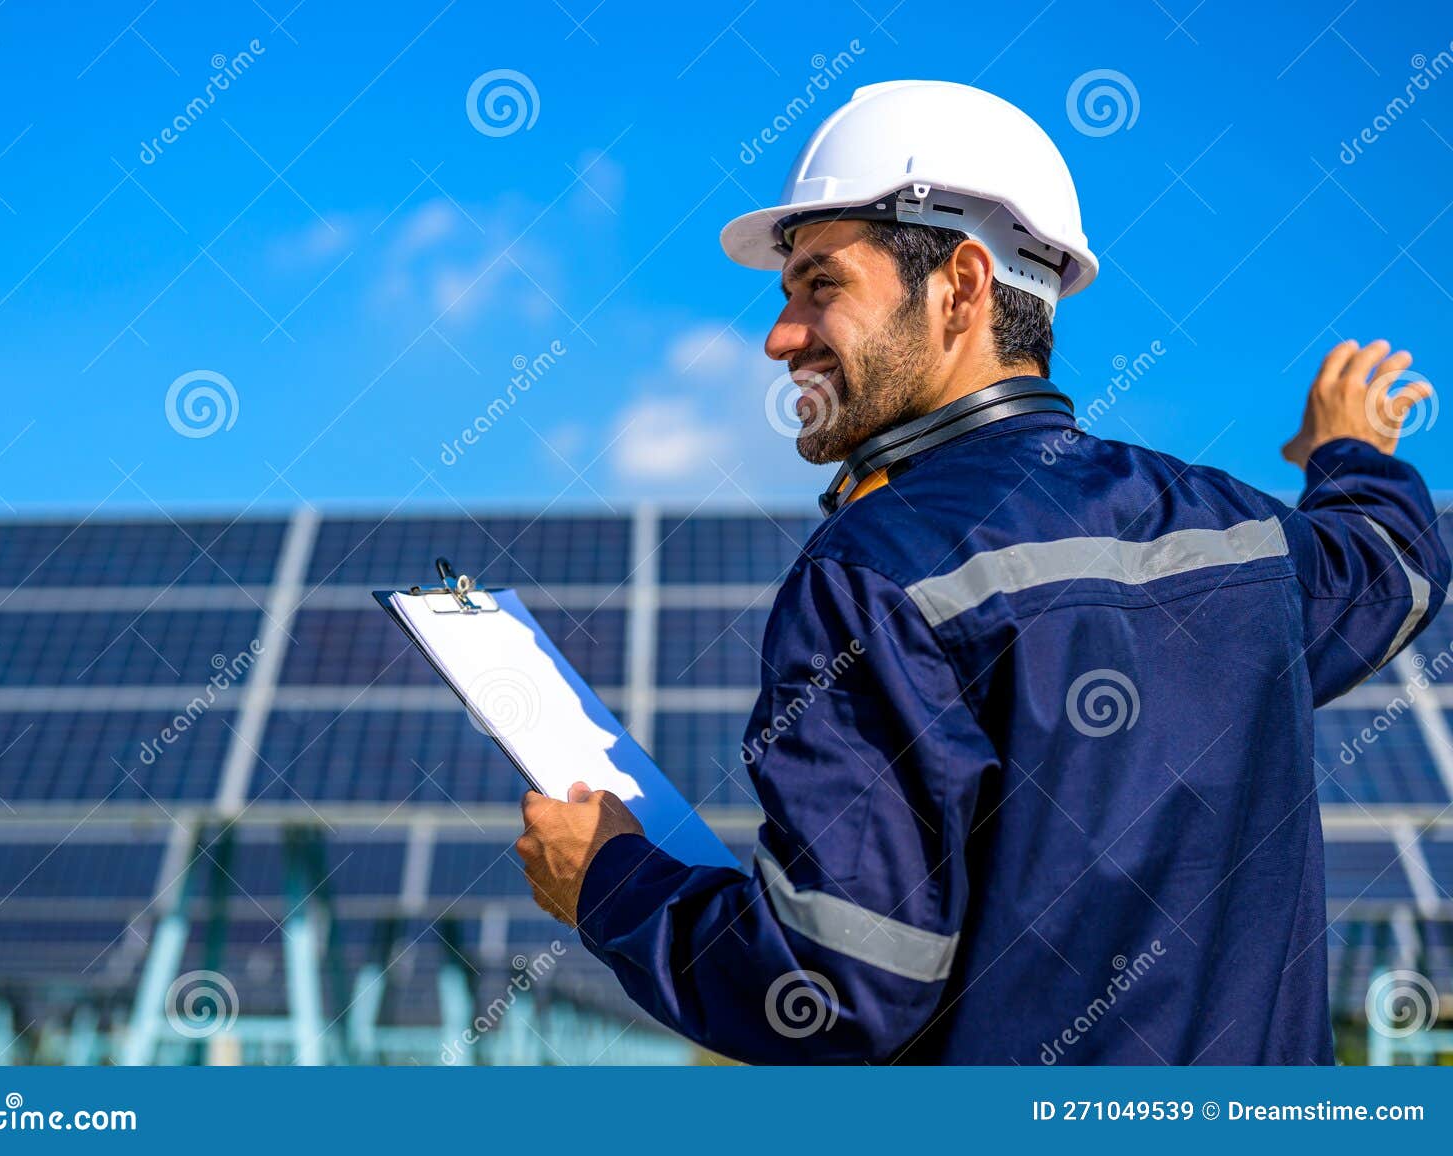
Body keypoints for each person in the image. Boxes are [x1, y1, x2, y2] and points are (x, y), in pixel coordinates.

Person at [515, 80, 1449, 1063]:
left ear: (959, 286)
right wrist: (1351, 451)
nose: (779, 336)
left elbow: (830, 987)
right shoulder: (1237, 536)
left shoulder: (876, 570)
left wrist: (610, 882)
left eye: (820, 285)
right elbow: (1388, 566)